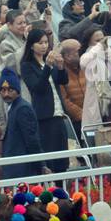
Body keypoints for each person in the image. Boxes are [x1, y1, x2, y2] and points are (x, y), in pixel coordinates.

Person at [19, 27, 70, 172]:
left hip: (59, 113)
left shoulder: (51, 61)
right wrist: (47, 66)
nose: (44, 46)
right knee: (50, 160)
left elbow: (63, 81)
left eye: (46, 42)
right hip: (44, 117)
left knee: (62, 159)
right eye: (40, 43)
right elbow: (37, 88)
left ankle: (63, 190)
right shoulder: (27, 66)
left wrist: (60, 68)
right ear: (31, 45)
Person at [0, 69, 42, 179]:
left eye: (10, 90)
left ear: (18, 91)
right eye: (3, 90)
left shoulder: (22, 108)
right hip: (16, 167)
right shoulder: (13, 107)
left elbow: (32, 140)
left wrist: (41, 165)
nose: (6, 94)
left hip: (24, 169)